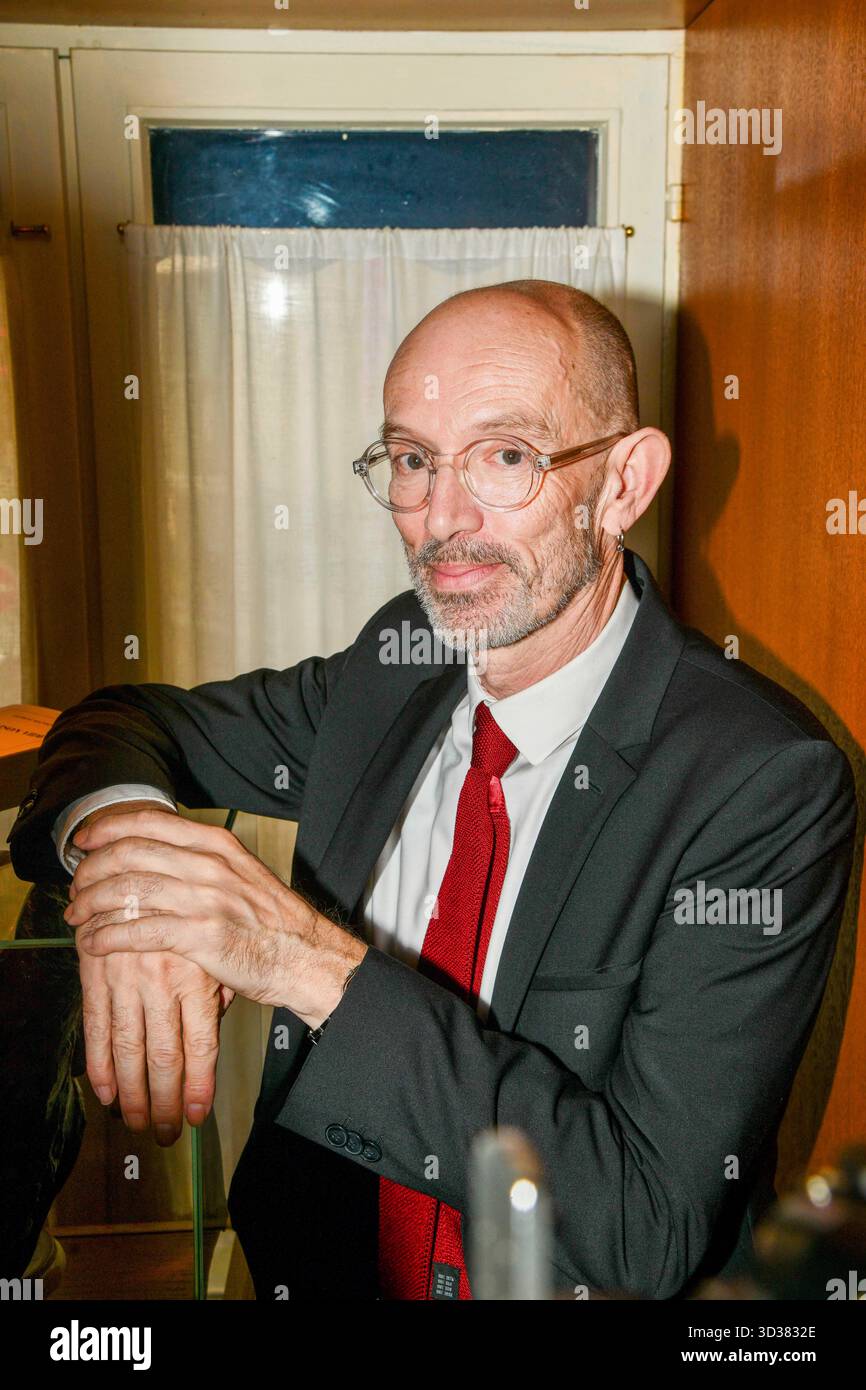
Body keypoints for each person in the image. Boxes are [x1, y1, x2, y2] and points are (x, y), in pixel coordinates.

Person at [9, 281, 856, 1300]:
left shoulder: (761, 779)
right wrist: (140, 853)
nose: (441, 520)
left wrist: (295, 955)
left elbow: (644, 1227)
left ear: (624, 482)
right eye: (411, 459)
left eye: (505, 456)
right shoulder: (394, 666)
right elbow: (121, 723)